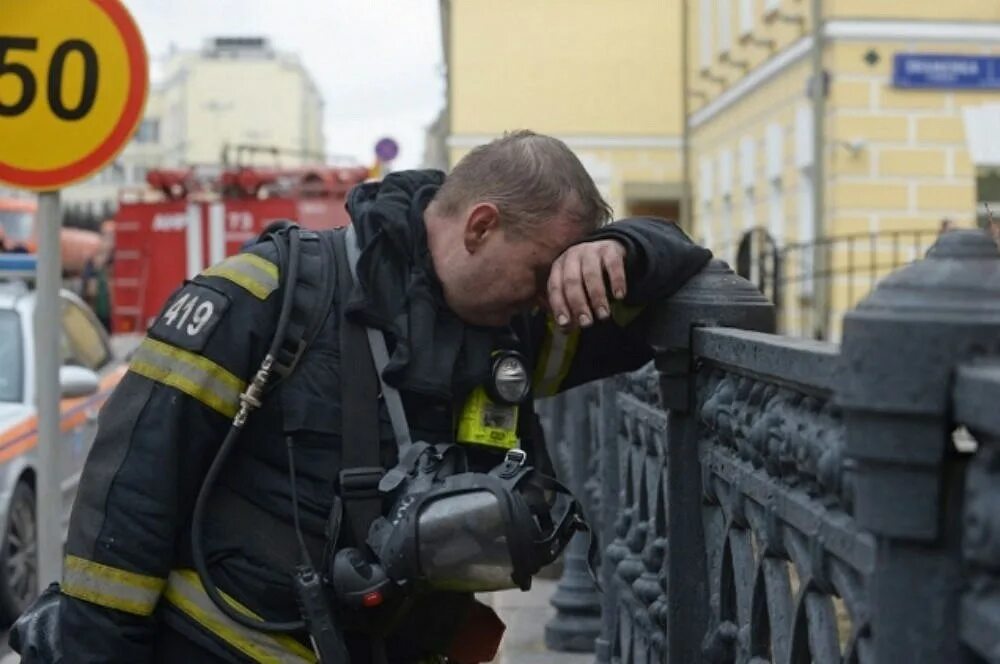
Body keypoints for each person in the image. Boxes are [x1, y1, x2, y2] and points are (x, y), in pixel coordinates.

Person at [51, 131, 712, 663]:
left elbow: (706, 282)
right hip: (224, 641)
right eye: (543, 269)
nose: (549, 295)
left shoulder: (520, 329)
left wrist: (624, 249)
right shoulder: (273, 294)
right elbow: (131, 489)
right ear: (480, 227)